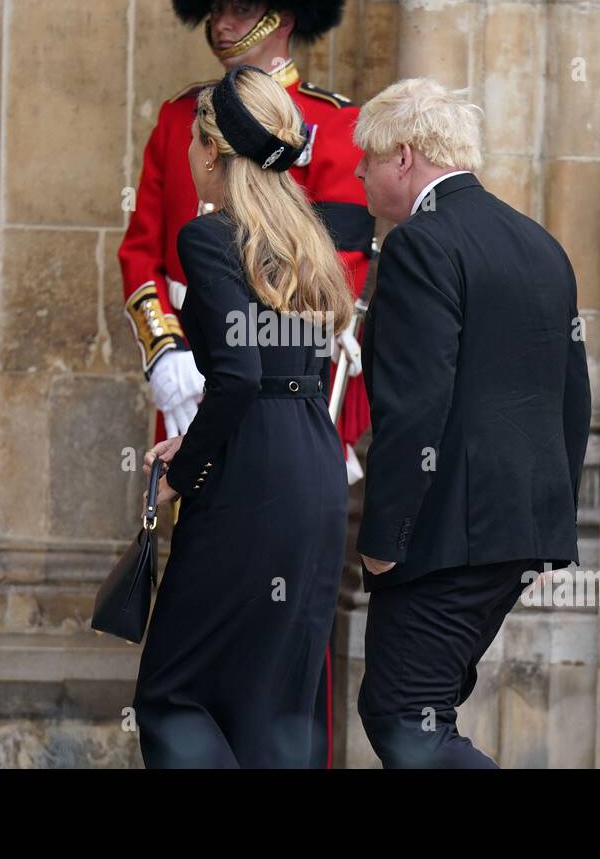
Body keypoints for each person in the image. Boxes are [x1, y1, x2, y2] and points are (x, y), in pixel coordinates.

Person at [118, 0, 371, 767]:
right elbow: (140, 256)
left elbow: (345, 291)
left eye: (240, 4)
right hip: (197, 386)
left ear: (283, 10)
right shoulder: (175, 118)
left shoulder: (335, 128)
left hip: (288, 400)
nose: (222, 20)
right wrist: (166, 359)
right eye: (216, 2)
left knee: (280, 648)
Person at [351, 79, 591, 768]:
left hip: (447, 531)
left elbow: (413, 406)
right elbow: (572, 394)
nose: (359, 173)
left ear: (404, 156)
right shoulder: (540, 242)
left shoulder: (418, 244)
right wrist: (552, 522)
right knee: (423, 705)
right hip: (516, 526)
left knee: (402, 715)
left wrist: (383, 538)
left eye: (368, 158)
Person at [133, 66, 352, 768]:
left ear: (212, 151)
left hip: (249, 476)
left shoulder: (210, 238)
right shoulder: (306, 238)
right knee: (273, 706)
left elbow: (238, 374)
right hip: (313, 467)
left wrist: (186, 469)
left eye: (195, 145)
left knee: (173, 695)